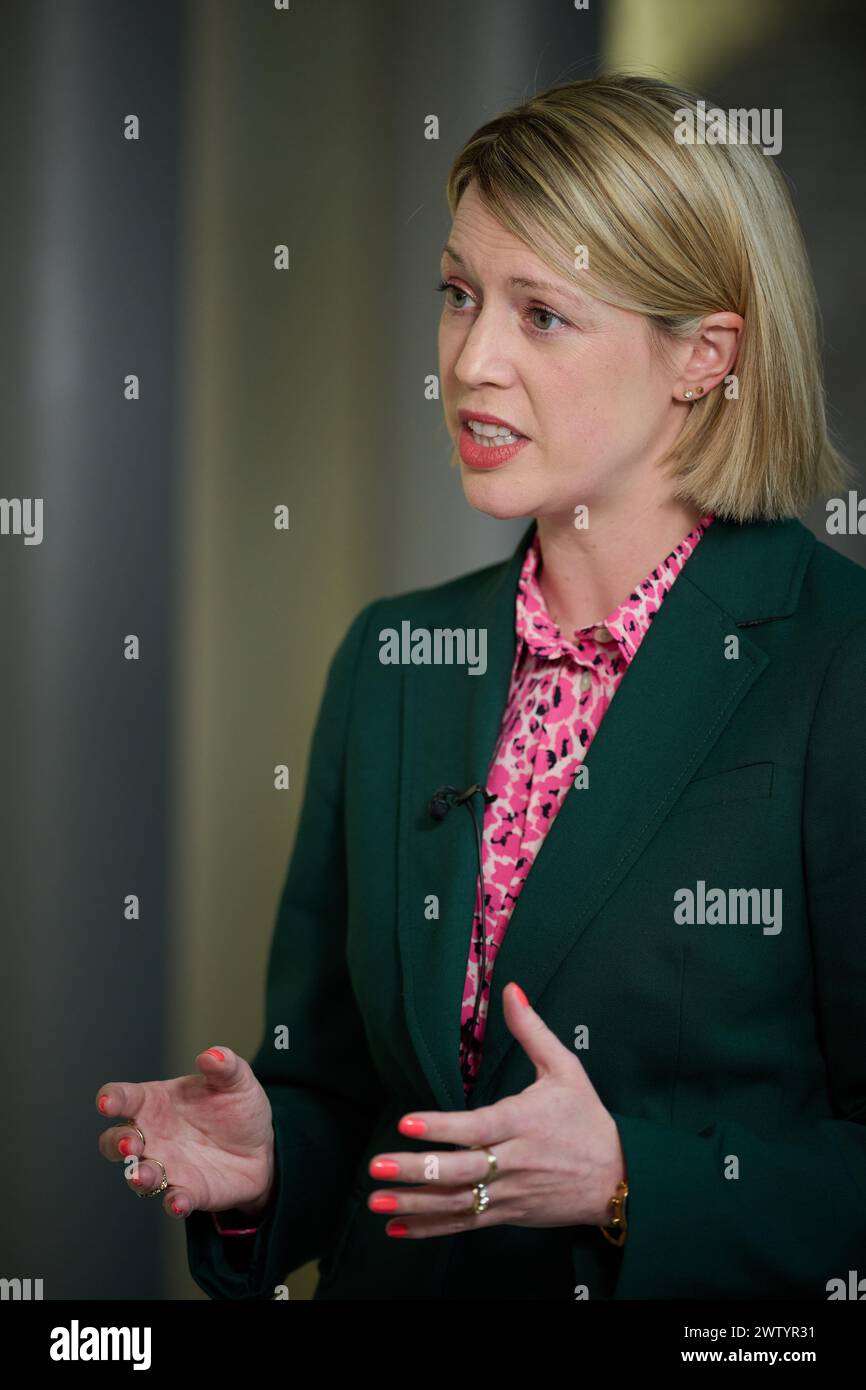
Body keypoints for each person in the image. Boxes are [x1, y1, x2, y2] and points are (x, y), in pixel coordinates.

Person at [96, 73, 866, 1301]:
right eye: (458, 296)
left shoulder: (838, 661)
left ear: (701, 355)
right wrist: (267, 1163)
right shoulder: (392, 656)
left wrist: (630, 1183)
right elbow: (346, 1092)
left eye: (541, 315)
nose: (471, 358)